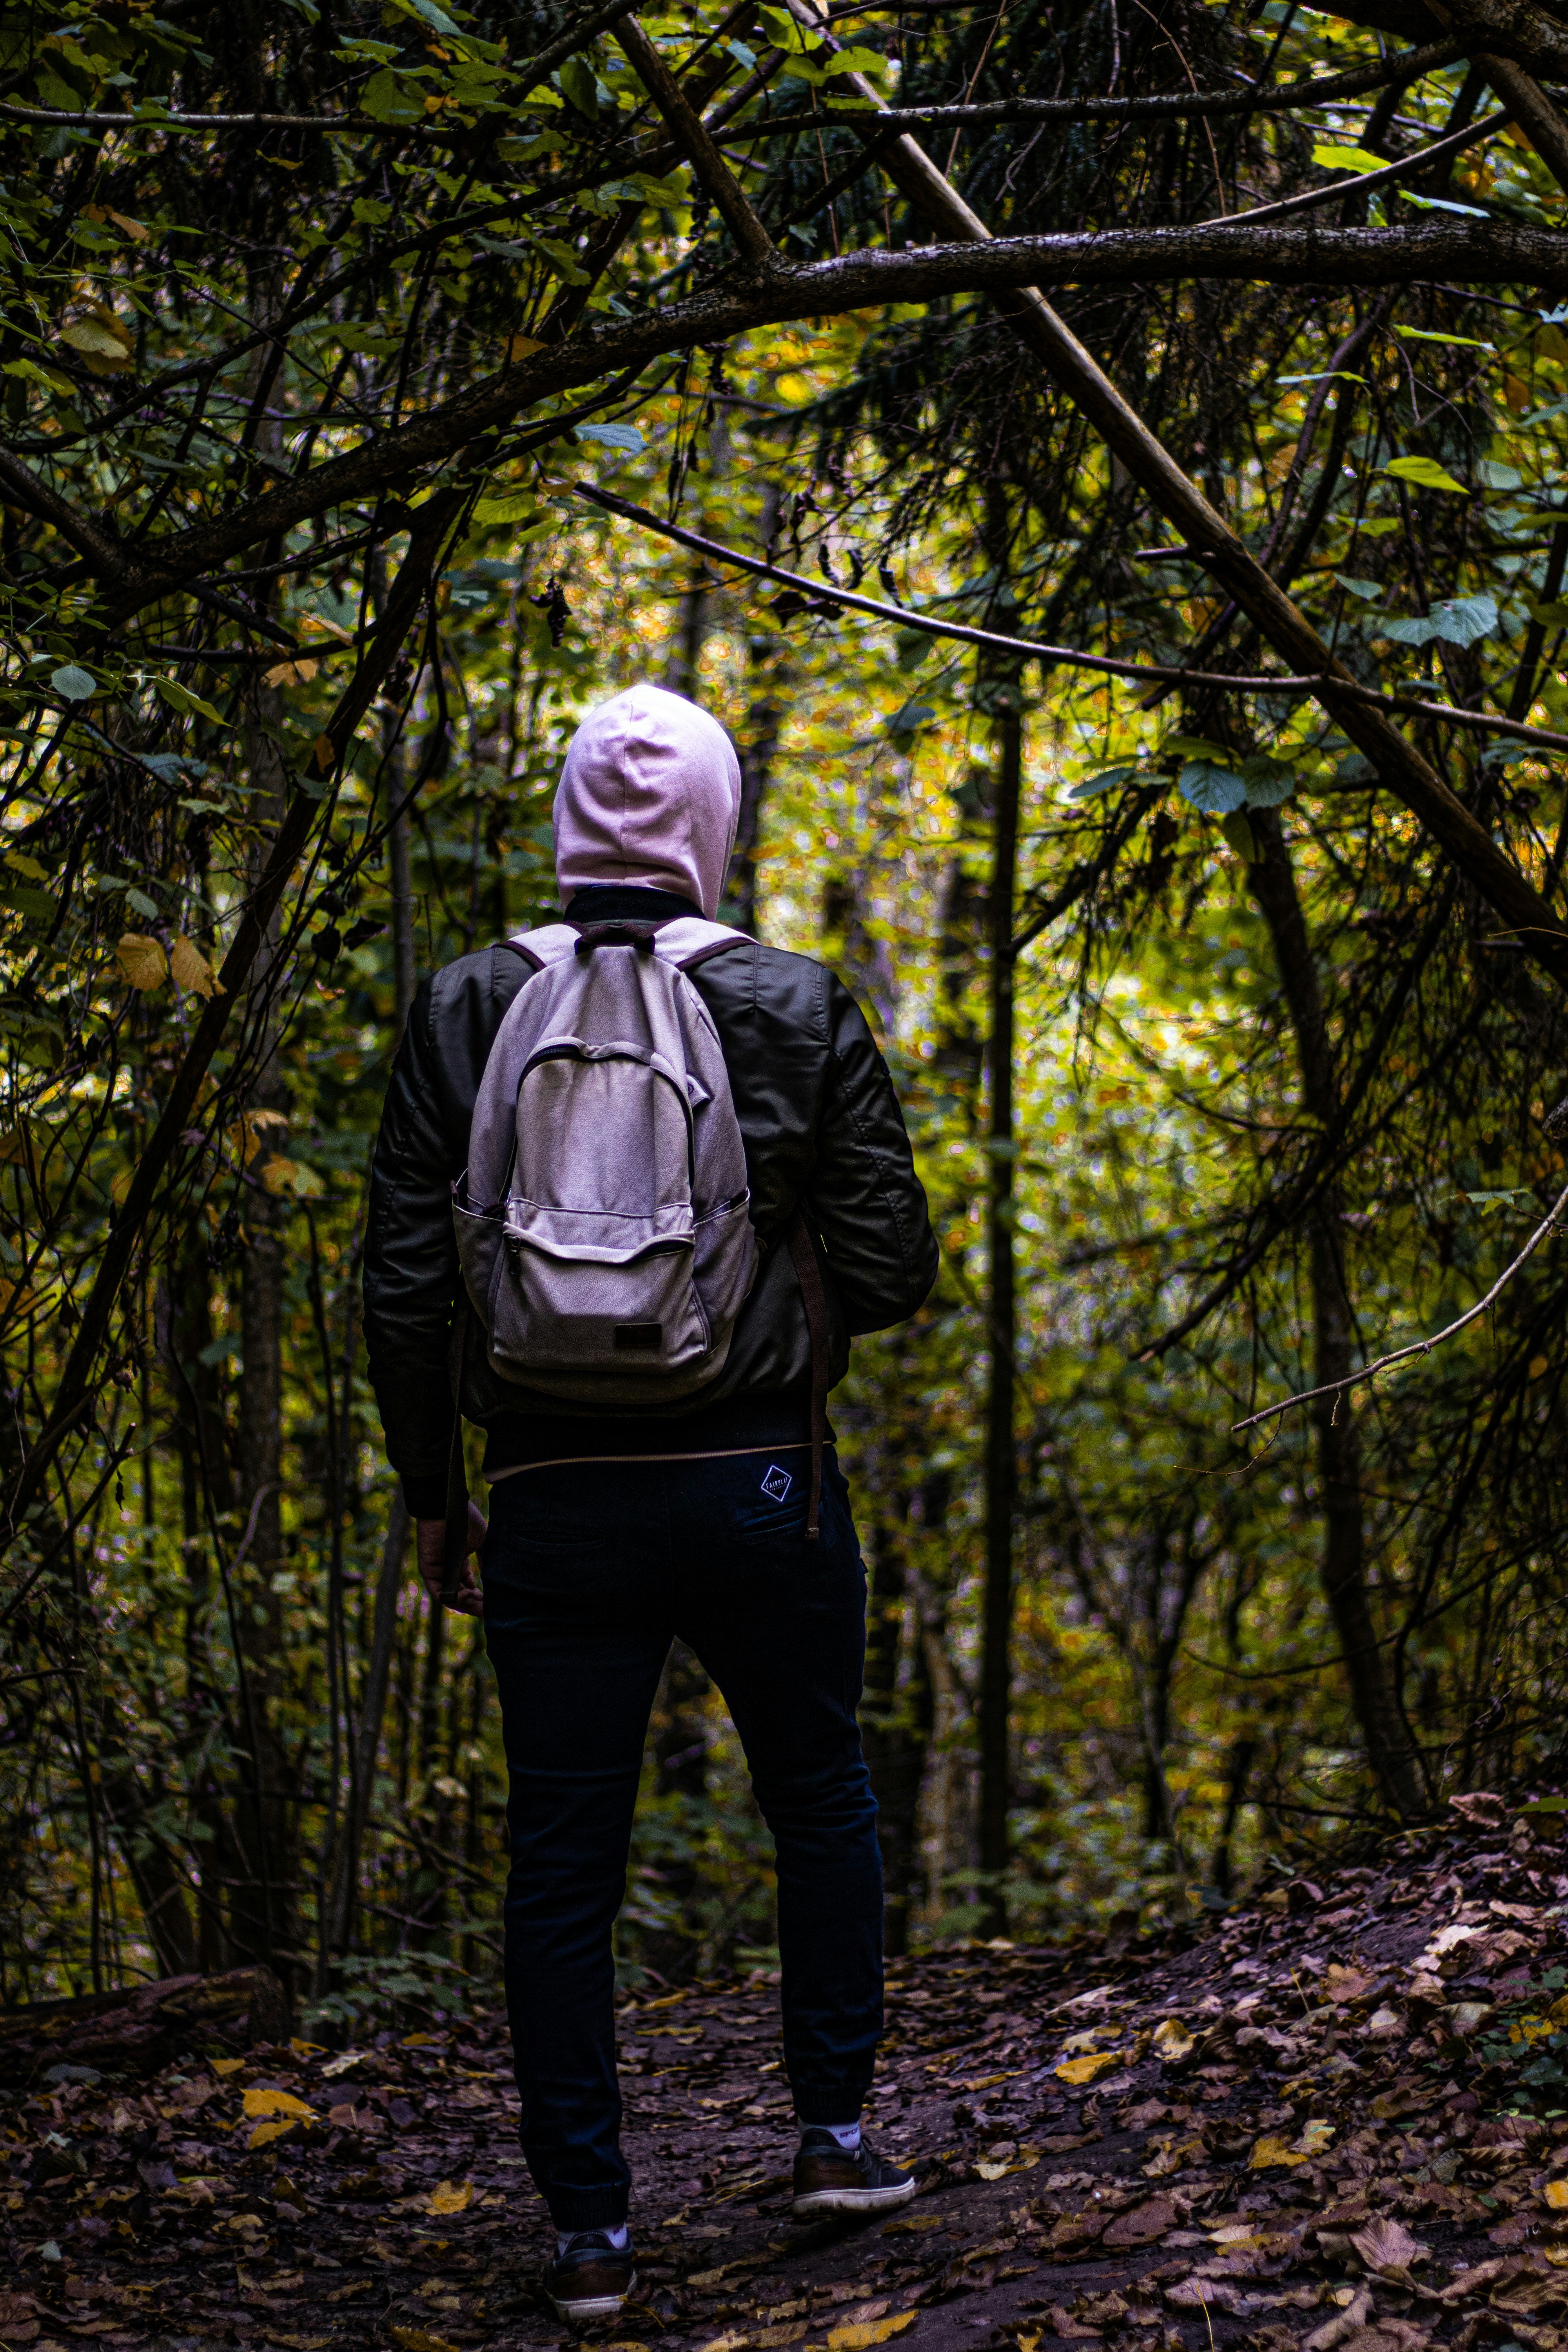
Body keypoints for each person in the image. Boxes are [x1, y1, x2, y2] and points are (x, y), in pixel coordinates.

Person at [363, 682, 940, 2325]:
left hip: (547, 1493)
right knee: (818, 1797)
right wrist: (787, 1300)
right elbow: (894, 1265)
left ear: (566, 821)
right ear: (713, 823)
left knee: (560, 1862)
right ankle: (832, 2134)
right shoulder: (792, 1001)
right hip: (758, 1477)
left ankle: (591, 2236)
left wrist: (432, 1494)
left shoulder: (466, 1003)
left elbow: (406, 1283)